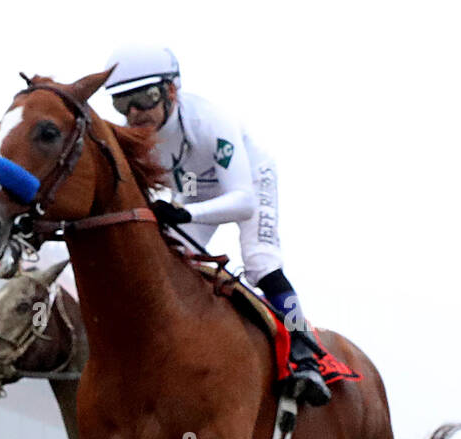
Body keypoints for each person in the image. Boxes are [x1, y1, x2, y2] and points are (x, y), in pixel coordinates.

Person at [100, 44, 331, 407]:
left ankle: (305, 351)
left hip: (248, 182)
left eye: (144, 98)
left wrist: (186, 214)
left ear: (171, 91)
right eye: (121, 103)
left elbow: (242, 201)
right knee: (166, 257)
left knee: (260, 261)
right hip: (193, 186)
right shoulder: (133, 135)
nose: (134, 114)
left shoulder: (210, 121)